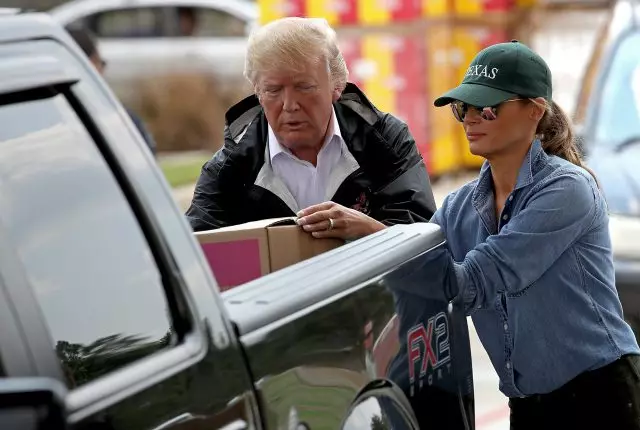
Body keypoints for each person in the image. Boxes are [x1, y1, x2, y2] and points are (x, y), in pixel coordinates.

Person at [430, 40, 640, 429]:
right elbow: (418, 254)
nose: (472, 119)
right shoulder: (459, 207)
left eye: (488, 108)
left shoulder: (567, 190)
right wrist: (371, 236)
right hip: (528, 406)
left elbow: (475, 280)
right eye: (464, 108)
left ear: (534, 110)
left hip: (600, 399)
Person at [185, 17, 436, 240]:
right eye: (273, 90)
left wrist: (368, 230)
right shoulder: (233, 166)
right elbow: (194, 253)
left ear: (337, 85)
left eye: (304, 87)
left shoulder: (383, 141)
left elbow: (425, 242)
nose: (290, 105)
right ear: (258, 93)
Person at [66, 27, 158, 156]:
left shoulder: (42, 128)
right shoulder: (123, 122)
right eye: (101, 63)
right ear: (90, 65)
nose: (103, 71)